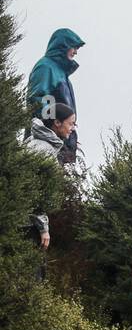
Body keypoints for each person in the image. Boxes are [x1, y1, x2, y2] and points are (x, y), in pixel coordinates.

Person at [25, 102, 76, 258]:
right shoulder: (41, 148)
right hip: (28, 225)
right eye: (71, 123)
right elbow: (31, 190)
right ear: (57, 122)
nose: (72, 128)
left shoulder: (41, 144)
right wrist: (43, 228)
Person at [27, 29, 84, 158]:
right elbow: (38, 100)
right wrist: (53, 128)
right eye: (73, 47)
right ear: (63, 46)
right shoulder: (46, 67)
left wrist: (69, 132)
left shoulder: (60, 72)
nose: (75, 52)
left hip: (60, 140)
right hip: (47, 142)